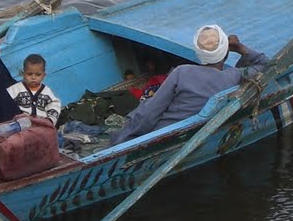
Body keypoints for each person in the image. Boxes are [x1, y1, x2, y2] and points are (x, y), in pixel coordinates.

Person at [110, 25, 269, 144]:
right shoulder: (233, 76)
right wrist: (239, 47)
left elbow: (150, 113)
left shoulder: (182, 72)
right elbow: (264, 63)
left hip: (159, 132)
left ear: (198, 53)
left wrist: (123, 137)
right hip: (187, 133)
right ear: (226, 53)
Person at [7, 53, 62, 126]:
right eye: (29, 74)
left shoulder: (46, 91)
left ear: (43, 75)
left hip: (42, 124)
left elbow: (54, 104)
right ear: (23, 73)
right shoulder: (16, 89)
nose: (33, 77)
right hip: (21, 125)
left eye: (38, 74)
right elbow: (6, 102)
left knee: (51, 134)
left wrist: (50, 120)